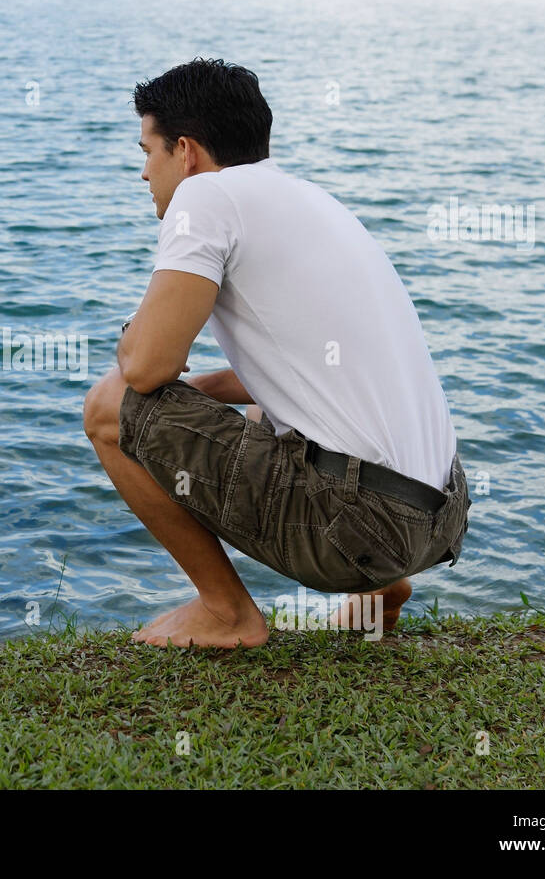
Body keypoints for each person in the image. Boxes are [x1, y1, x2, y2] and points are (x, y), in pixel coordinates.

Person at [83, 57, 470, 649]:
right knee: (265, 412)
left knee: (110, 405)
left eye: (147, 151)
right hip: (439, 516)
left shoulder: (203, 197)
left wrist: (136, 333)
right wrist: (198, 390)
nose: (143, 174)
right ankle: (379, 591)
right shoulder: (311, 200)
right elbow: (312, 363)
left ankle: (226, 612)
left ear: (185, 152)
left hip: (362, 526)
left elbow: (143, 369)